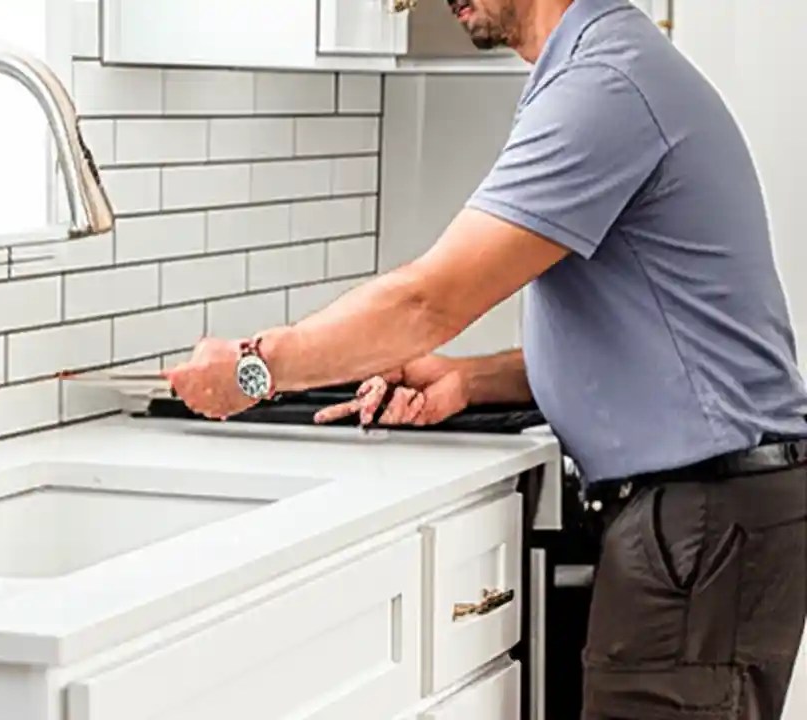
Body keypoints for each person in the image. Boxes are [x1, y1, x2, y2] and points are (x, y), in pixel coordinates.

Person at [162, 0, 807, 717]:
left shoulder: (605, 85)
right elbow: (657, 344)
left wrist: (256, 367)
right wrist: (469, 379)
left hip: (703, 520)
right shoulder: (602, 67)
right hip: (709, 512)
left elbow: (427, 302)